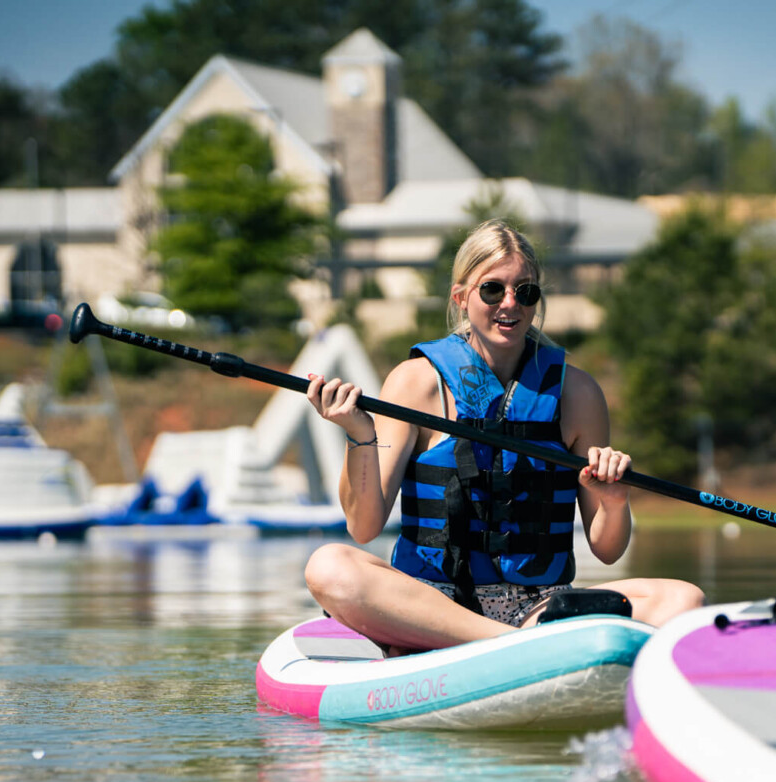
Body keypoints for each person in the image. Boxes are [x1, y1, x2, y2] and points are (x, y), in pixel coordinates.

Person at [301, 220, 705, 653]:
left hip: (539, 606)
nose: (510, 304)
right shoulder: (416, 383)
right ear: (461, 297)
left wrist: (614, 498)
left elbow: (607, 550)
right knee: (329, 566)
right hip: (433, 603)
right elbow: (363, 528)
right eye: (493, 289)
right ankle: (512, 646)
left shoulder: (578, 393)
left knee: (683, 599)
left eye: (525, 291)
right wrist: (359, 435)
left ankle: (522, 641)